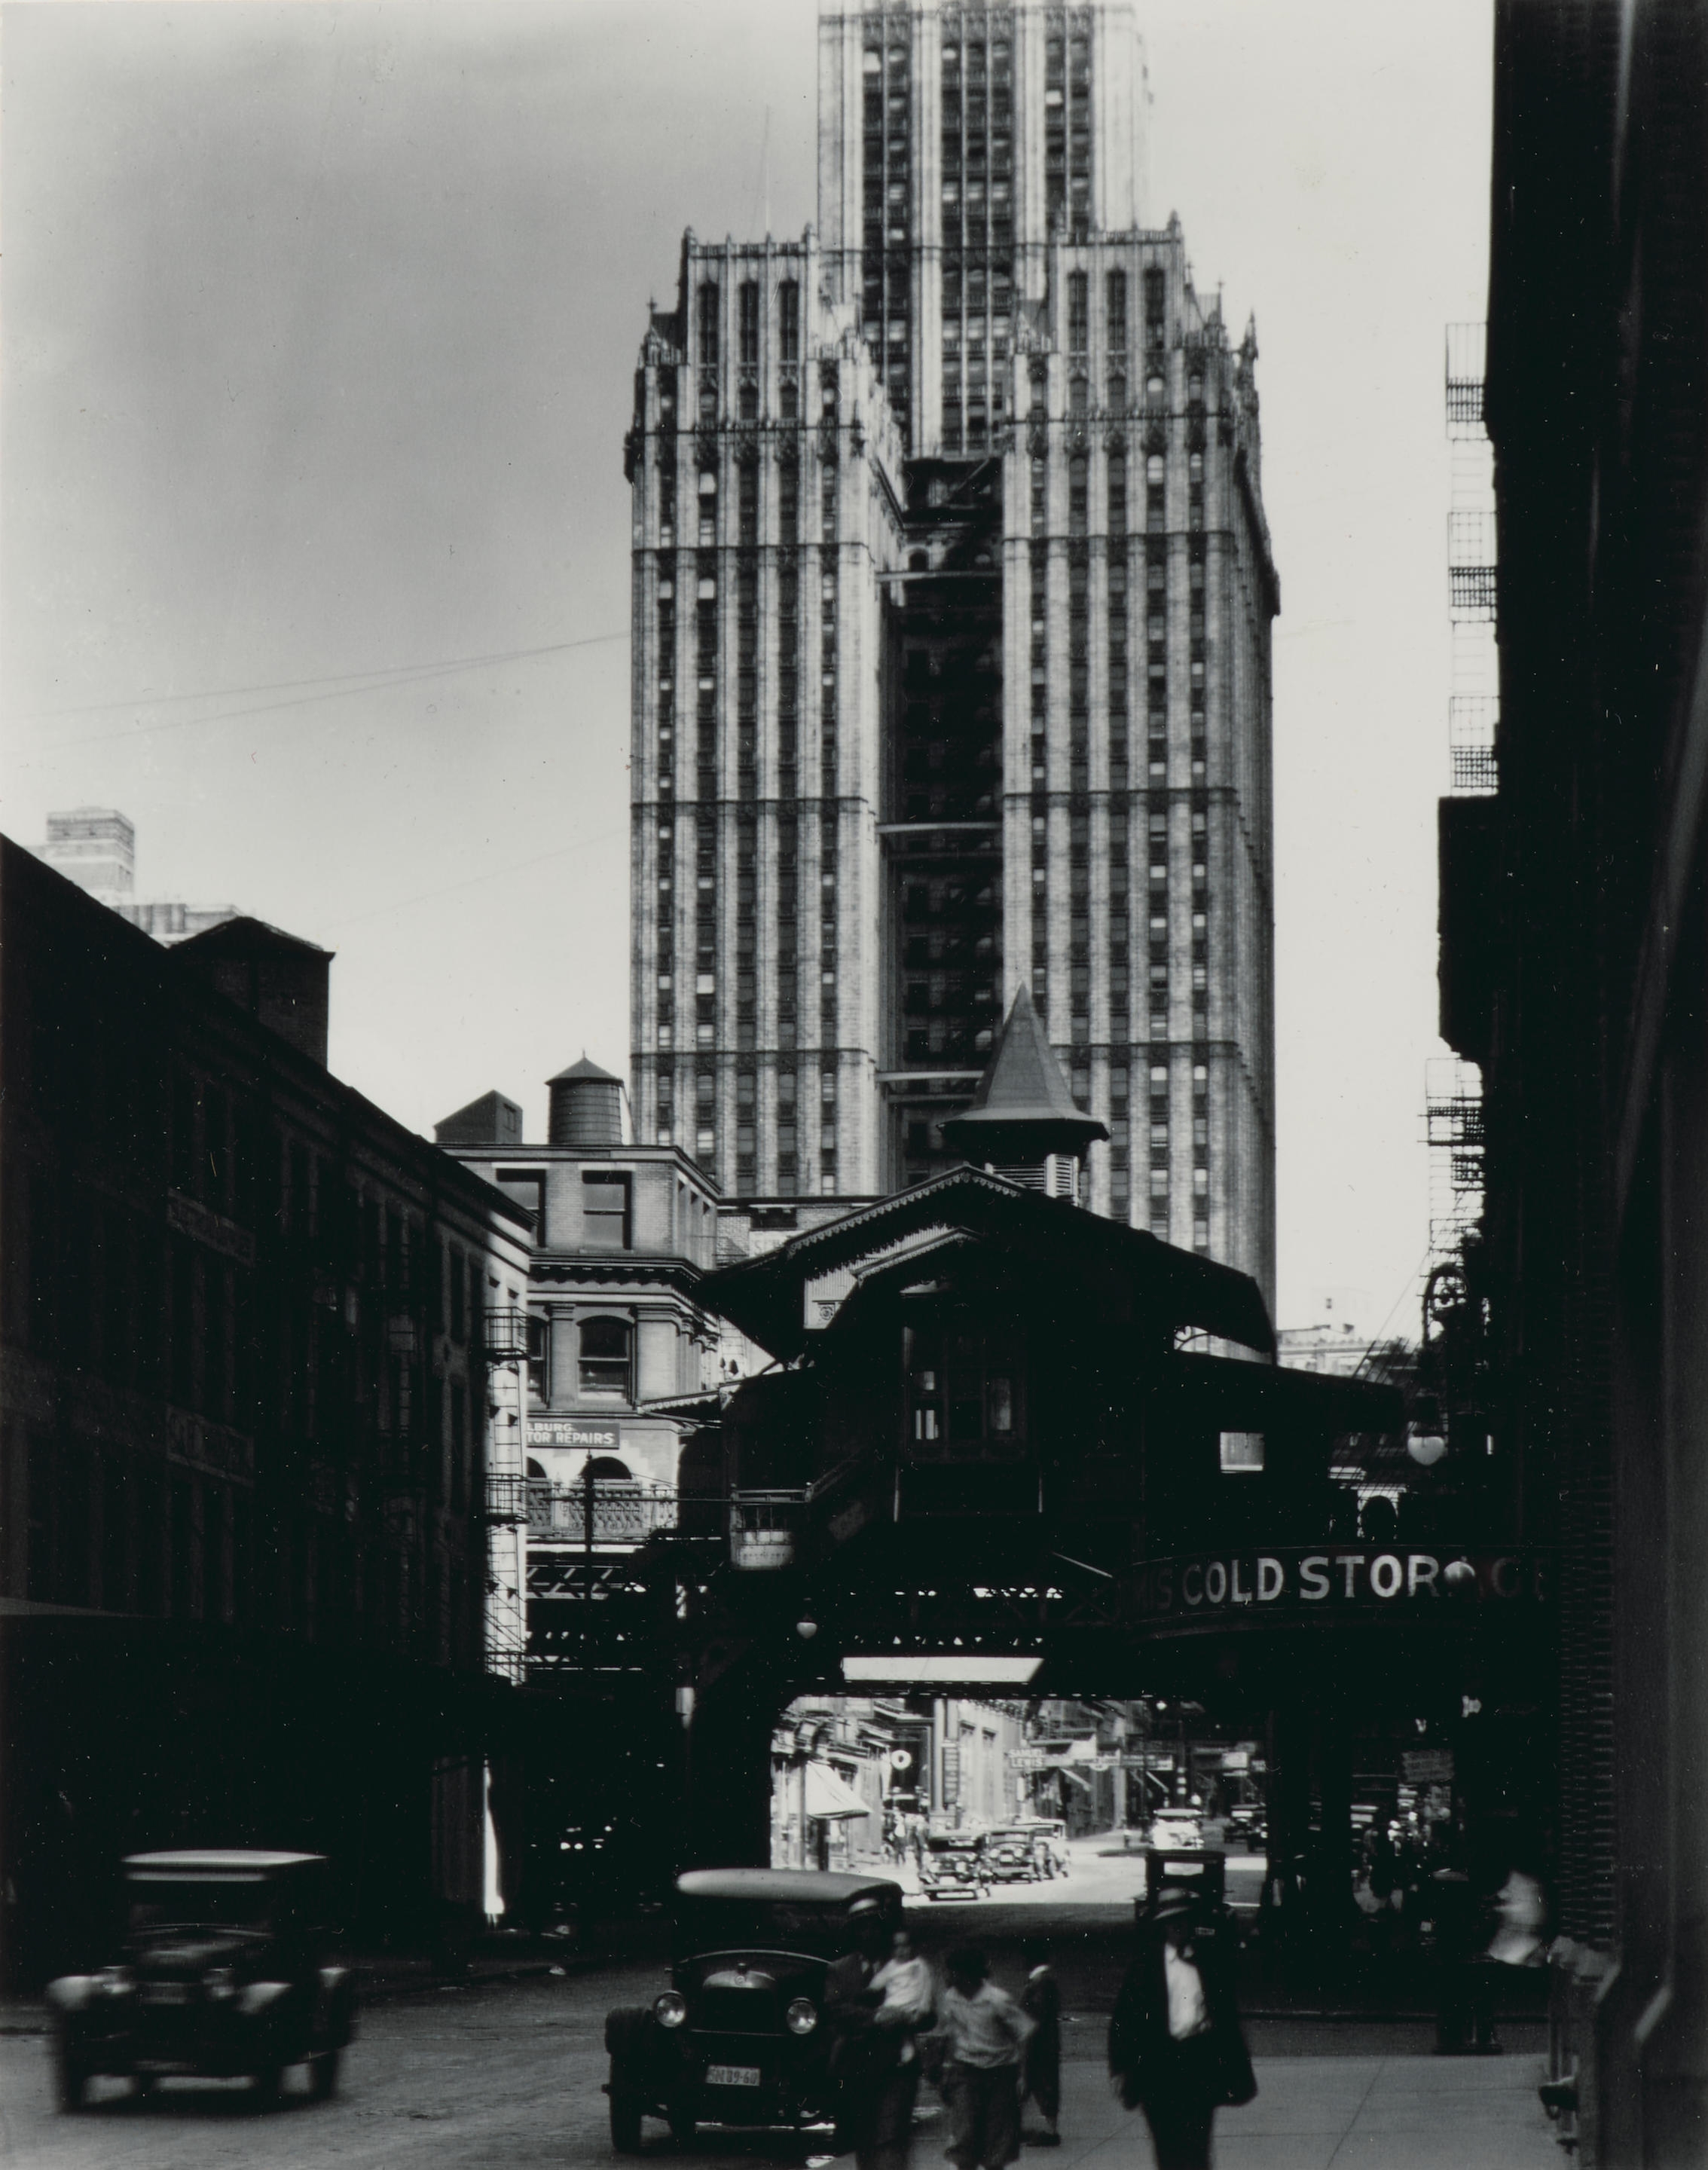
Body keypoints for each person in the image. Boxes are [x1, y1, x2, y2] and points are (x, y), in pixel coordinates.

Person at [1108, 1888, 1255, 2170]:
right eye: (1170, 1921)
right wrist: (1120, 2068)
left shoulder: (1209, 1961)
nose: (1177, 1926)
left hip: (1198, 2063)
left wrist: (1235, 2065)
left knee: (1197, 2147)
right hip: (1158, 2068)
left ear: (1191, 1923)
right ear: (1162, 1926)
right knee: (1167, 2148)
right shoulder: (1145, 1968)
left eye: (1183, 1920)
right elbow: (1123, 2020)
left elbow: (1226, 2015)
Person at [824, 1903, 933, 2170]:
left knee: (892, 2138)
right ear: (854, 1933)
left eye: (875, 1927)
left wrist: (913, 2017)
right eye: (863, 1928)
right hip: (856, 2066)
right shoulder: (839, 1970)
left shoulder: (905, 1966)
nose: (870, 1934)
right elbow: (836, 2010)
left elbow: (930, 2013)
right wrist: (877, 2018)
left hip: (896, 2066)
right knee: (864, 2140)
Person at [932, 1945, 1034, 2170]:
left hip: (1000, 2073)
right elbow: (944, 2035)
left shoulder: (997, 2001)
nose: (949, 1978)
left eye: (954, 1972)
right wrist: (942, 2073)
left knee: (998, 2139)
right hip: (967, 2072)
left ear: (968, 1974)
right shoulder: (951, 1999)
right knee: (964, 2133)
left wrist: (1024, 2076)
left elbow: (1024, 2034)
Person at [1017, 1941, 1062, 2147]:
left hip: (1038, 2042)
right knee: (1035, 2084)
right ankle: (1018, 2127)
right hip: (1045, 2041)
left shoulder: (1040, 1982)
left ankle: (1049, 2131)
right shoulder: (1044, 1980)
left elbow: (1036, 2015)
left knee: (1037, 2083)